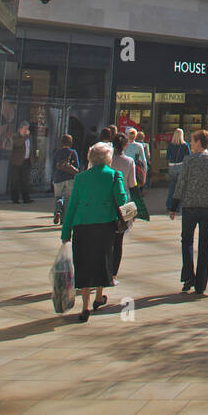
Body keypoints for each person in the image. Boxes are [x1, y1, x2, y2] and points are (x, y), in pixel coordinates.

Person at [60, 141, 128, 322]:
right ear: (108, 158)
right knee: (102, 260)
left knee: (83, 264)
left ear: (90, 157)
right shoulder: (114, 175)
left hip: (82, 225)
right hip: (105, 225)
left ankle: (84, 306)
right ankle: (99, 297)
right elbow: (122, 199)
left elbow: (72, 205)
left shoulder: (81, 178)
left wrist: (65, 232)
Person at [170, 129, 208, 296]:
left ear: (198, 142)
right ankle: (201, 284)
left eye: (193, 141)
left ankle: (188, 277)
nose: (191, 143)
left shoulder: (189, 161)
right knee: (204, 245)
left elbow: (181, 184)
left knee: (186, 240)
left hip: (190, 207)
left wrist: (174, 206)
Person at [109, 134, 137, 282]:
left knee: (107, 239)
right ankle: (113, 274)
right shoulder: (129, 161)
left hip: (107, 201)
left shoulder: (107, 161)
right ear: (125, 146)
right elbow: (132, 183)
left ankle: (105, 270)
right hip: (124, 202)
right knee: (119, 240)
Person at [51, 134, 80, 225]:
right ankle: (64, 220)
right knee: (68, 199)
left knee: (58, 197)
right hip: (70, 178)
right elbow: (77, 166)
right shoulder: (73, 152)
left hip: (58, 178)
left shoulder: (57, 152)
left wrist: (53, 178)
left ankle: (58, 211)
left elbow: (53, 167)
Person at [166, 128, 190, 213]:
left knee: (172, 187)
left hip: (172, 166)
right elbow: (188, 157)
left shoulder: (170, 144)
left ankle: (169, 205)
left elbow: (167, 157)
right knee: (180, 188)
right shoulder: (185, 145)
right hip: (181, 166)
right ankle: (177, 207)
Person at [9, 121, 32, 203]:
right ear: (20, 129)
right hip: (16, 162)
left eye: (27, 128)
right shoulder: (16, 136)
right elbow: (18, 144)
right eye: (25, 128)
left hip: (26, 161)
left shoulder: (28, 137)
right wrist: (24, 136)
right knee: (15, 180)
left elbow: (30, 148)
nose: (26, 130)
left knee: (25, 180)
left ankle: (26, 198)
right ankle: (15, 198)